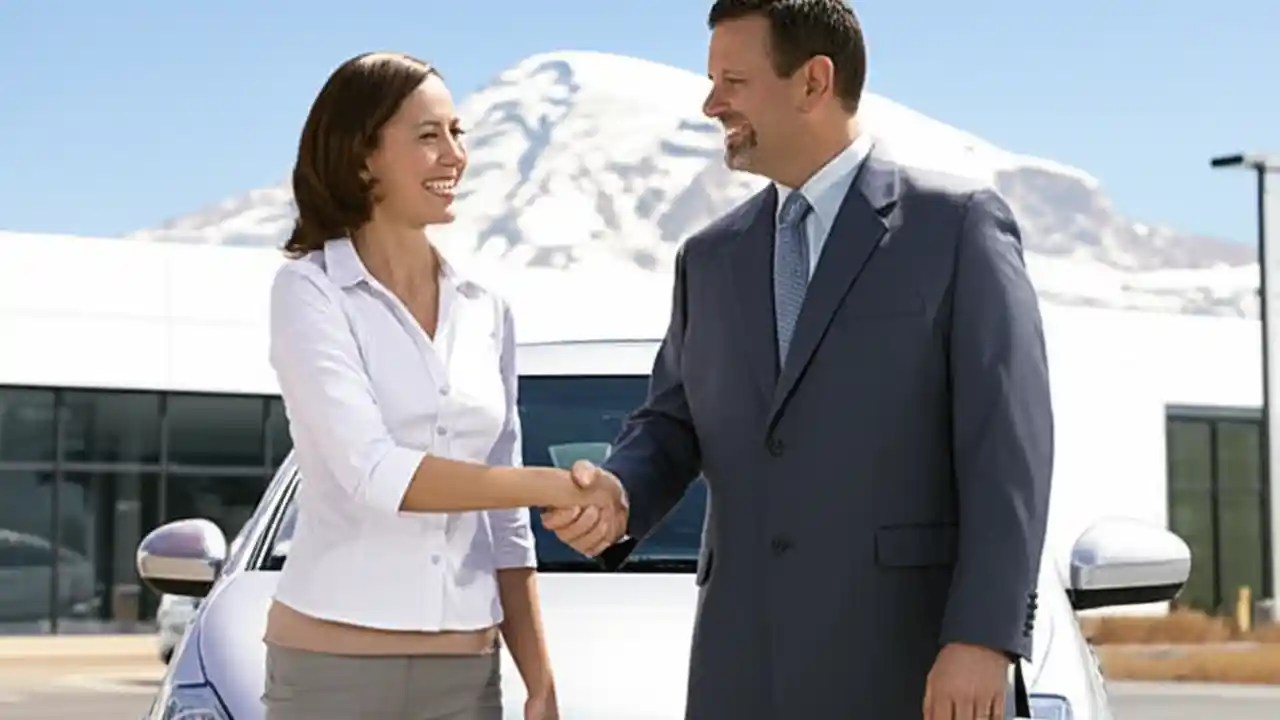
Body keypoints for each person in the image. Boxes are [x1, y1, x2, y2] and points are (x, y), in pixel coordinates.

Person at [541, 1, 1054, 718]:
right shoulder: (709, 258)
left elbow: (1008, 447)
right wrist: (619, 494)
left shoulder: (955, 228)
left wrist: (983, 637)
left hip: (906, 663)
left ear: (813, 82)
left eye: (733, 81)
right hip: (739, 668)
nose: (710, 102)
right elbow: (672, 422)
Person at [262, 51, 623, 720]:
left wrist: (538, 680)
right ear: (362, 156)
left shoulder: (487, 309)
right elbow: (372, 471)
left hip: (465, 677)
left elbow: (505, 524)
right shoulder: (310, 293)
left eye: (459, 133)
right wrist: (550, 484)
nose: (454, 155)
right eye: (429, 136)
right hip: (330, 675)